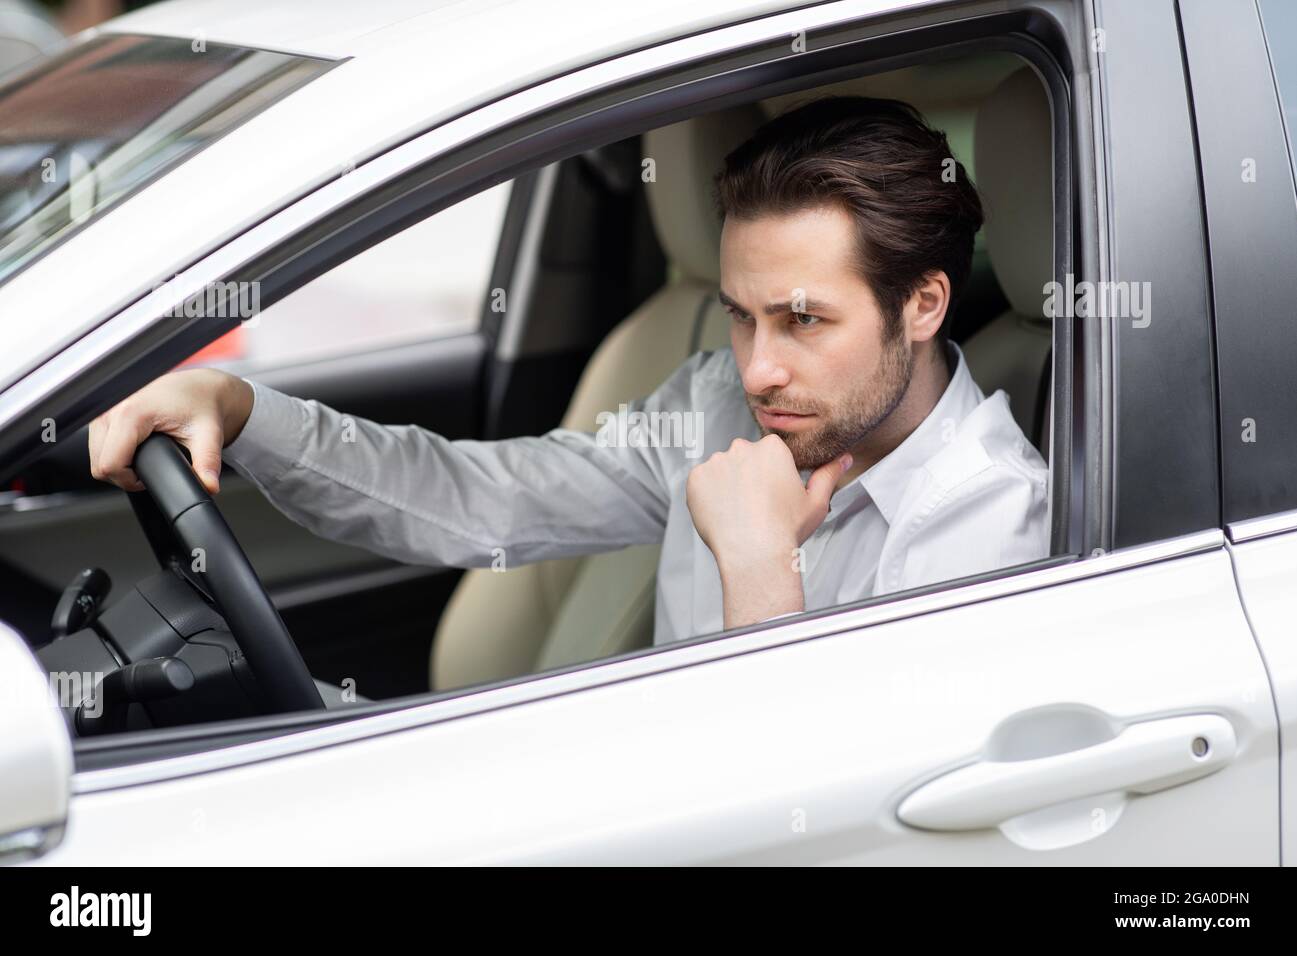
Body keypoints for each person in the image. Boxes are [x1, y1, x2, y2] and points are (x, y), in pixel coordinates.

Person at [90, 96, 1050, 643]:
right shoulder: (722, 402)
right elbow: (482, 500)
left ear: (923, 303)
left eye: (803, 320)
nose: (757, 369)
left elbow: (832, 823)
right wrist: (242, 408)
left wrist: (761, 570)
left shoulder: (992, 525)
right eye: (740, 315)